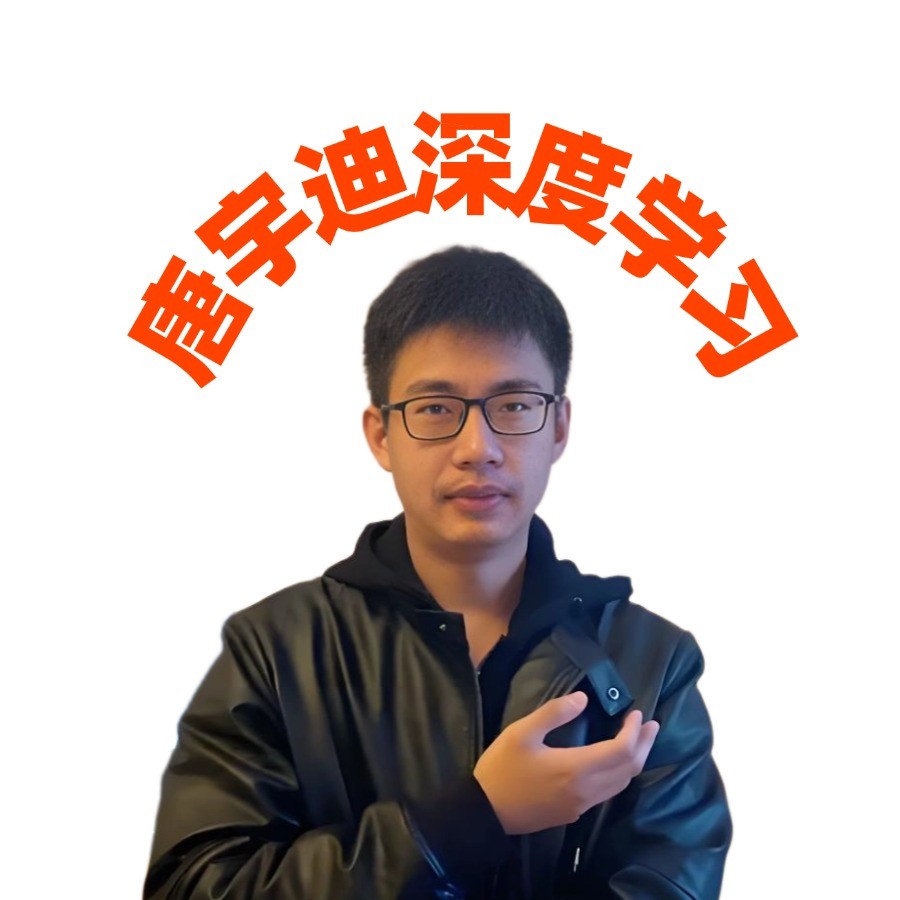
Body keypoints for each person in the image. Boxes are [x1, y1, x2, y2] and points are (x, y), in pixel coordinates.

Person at [143, 246, 731, 899]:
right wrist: (471, 819)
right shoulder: (277, 650)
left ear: (559, 426)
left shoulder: (651, 664)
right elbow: (192, 887)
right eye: (435, 409)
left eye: (514, 406)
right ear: (380, 435)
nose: (477, 449)